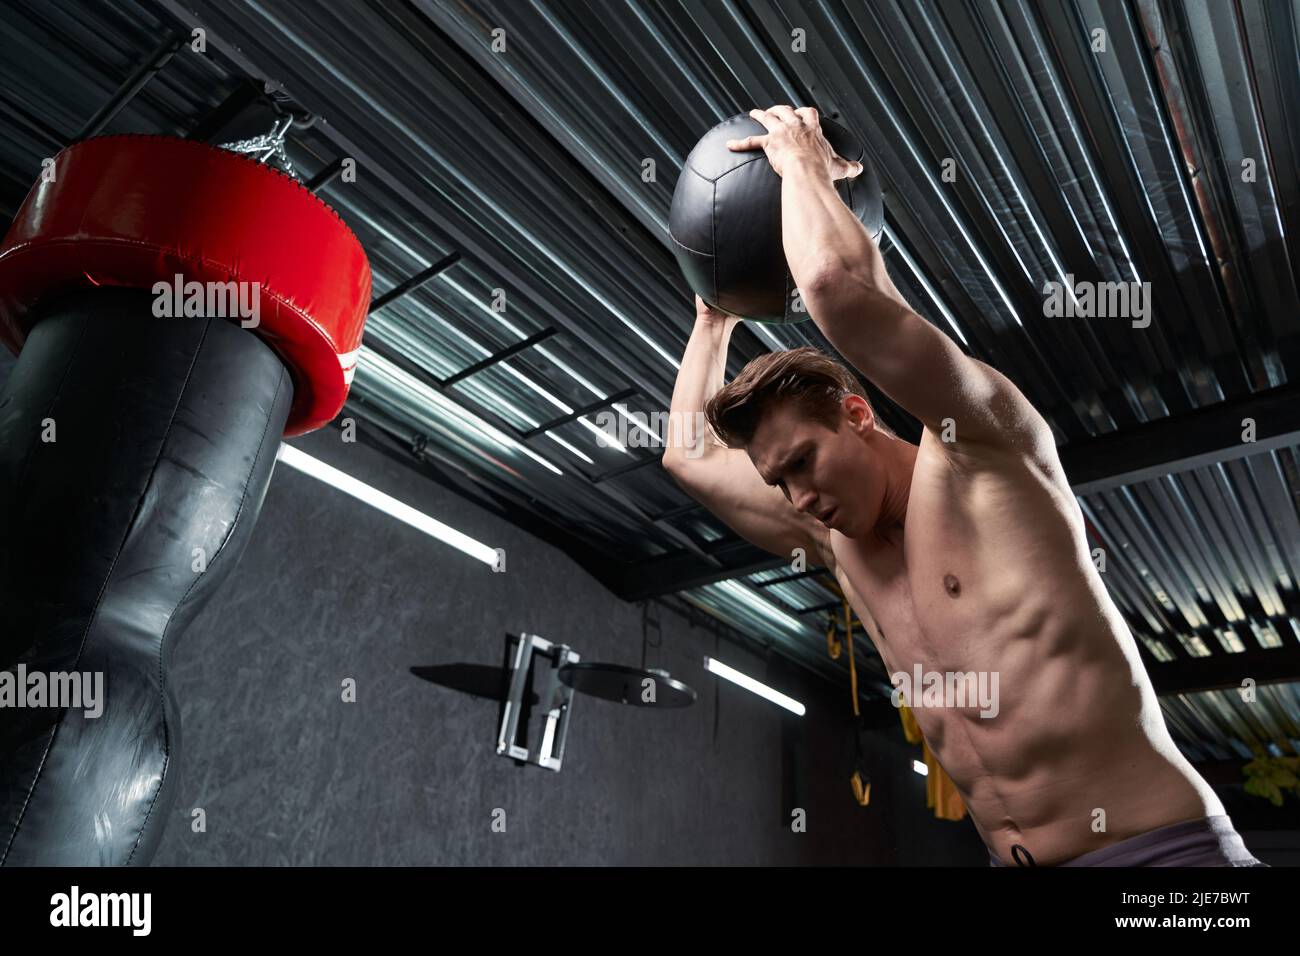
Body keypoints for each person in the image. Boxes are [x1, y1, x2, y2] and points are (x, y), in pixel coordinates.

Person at [662, 105, 1266, 867]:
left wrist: (801, 168)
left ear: (856, 414)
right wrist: (714, 312)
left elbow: (836, 288)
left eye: (803, 463)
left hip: (1162, 862)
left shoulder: (986, 454)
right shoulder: (834, 539)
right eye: (777, 482)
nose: (797, 498)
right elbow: (685, 456)